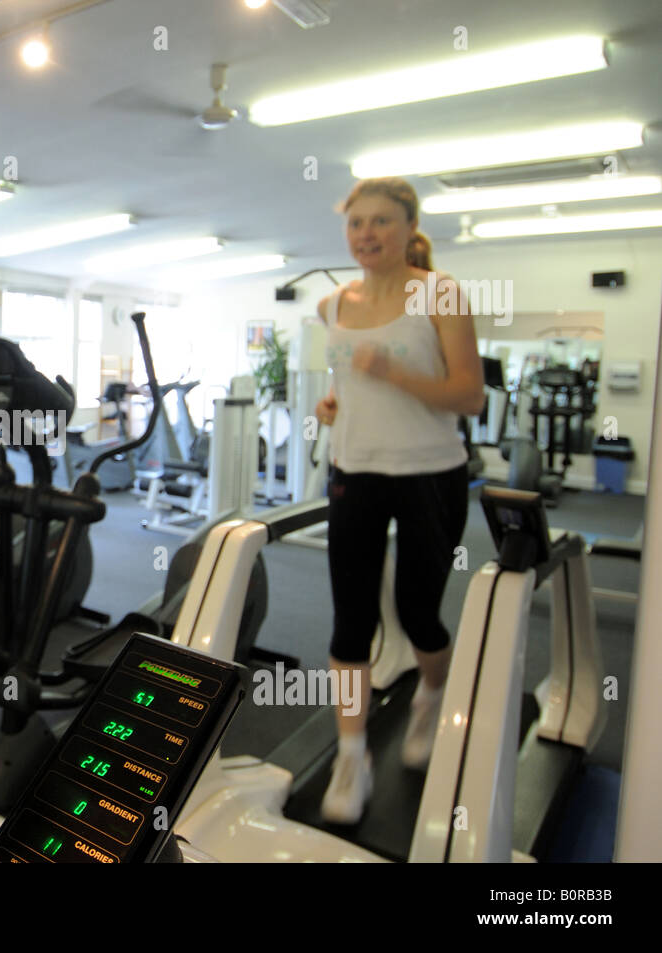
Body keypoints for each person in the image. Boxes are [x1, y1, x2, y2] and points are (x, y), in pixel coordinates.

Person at [313, 177, 484, 825]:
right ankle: (352, 754)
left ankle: (431, 696)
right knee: (350, 622)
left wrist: (398, 373)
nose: (367, 235)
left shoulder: (440, 292)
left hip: (429, 474)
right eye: (356, 224)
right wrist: (333, 406)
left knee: (419, 615)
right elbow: (341, 386)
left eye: (381, 222)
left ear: (409, 227)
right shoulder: (331, 305)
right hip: (354, 471)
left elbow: (470, 396)